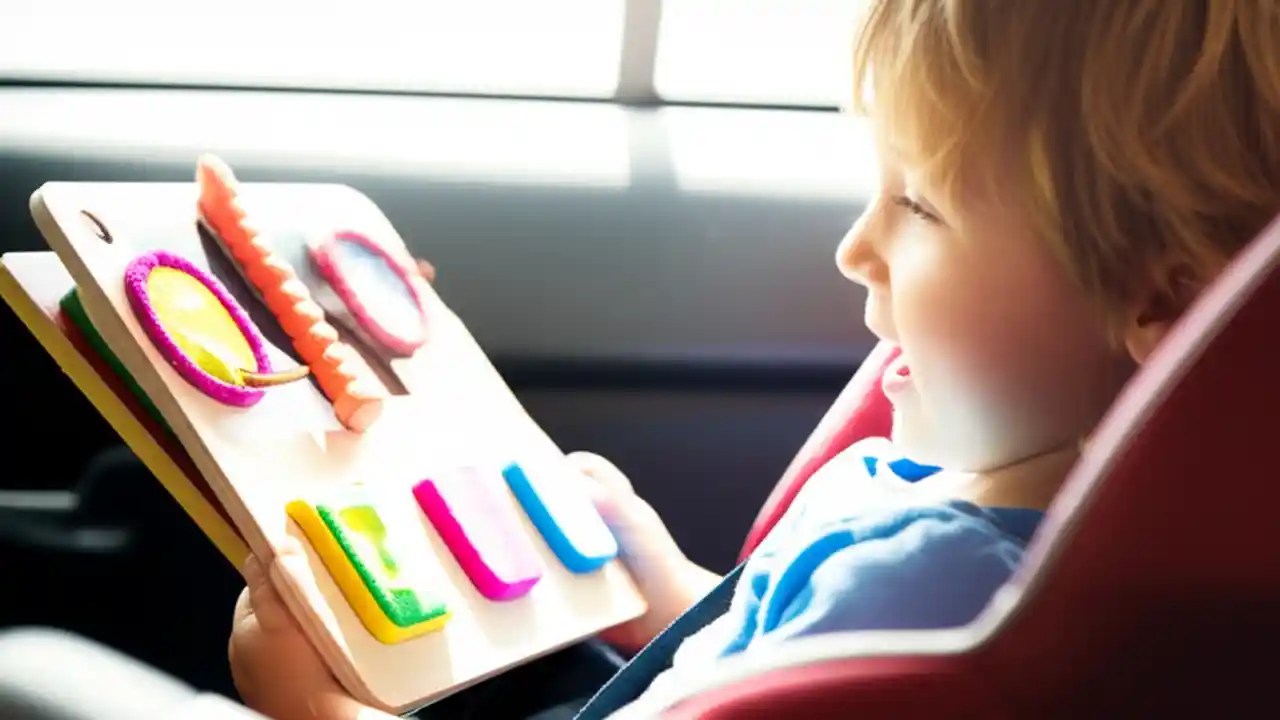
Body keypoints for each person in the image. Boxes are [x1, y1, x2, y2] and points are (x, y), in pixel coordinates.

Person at [228, 1, 1280, 717]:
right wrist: (671, 588)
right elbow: (758, 655)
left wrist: (316, 709)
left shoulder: (930, 599)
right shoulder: (949, 521)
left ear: (1160, 300)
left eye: (917, 204)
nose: (852, 248)